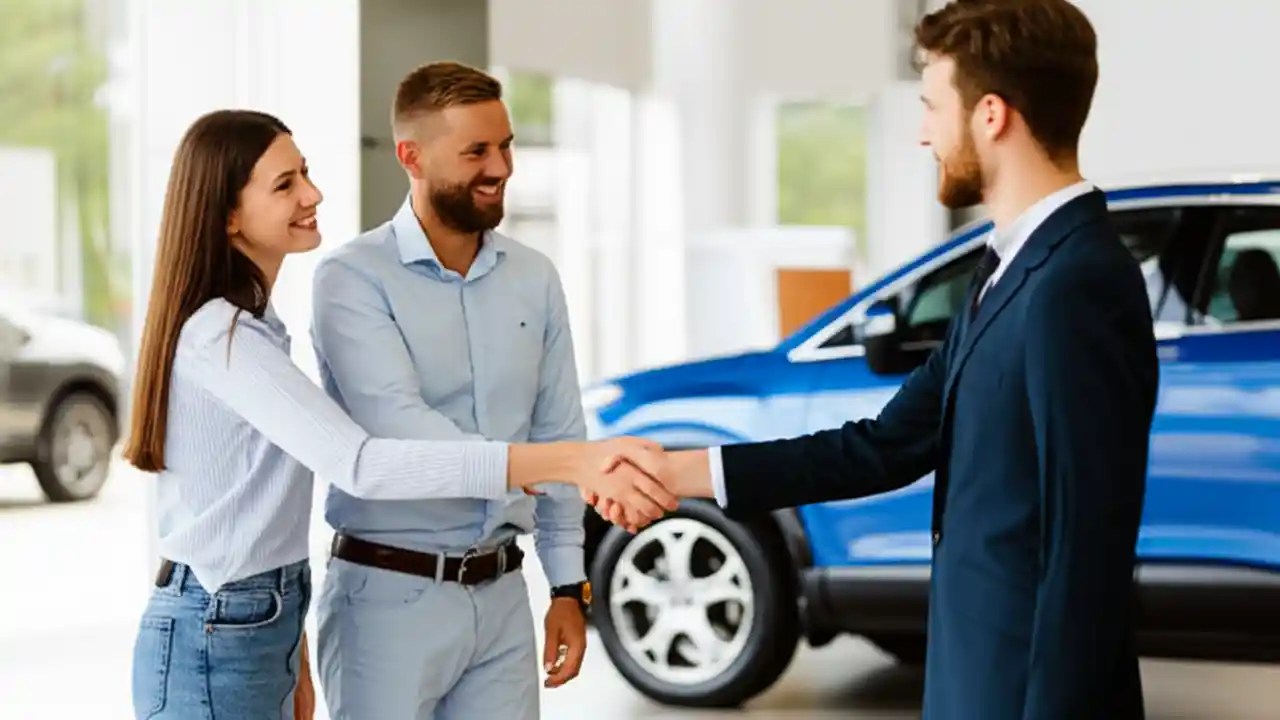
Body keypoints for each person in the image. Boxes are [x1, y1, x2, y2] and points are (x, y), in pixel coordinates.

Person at [598, 1, 1157, 717]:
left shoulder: (1078, 281)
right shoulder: (1010, 271)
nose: (922, 133)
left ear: (991, 114)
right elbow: (883, 446)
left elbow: (1086, 553)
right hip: (978, 677)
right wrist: (676, 472)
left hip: (1025, 694)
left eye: (931, 106)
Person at [123, 108, 677, 720]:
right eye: (285, 185)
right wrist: (570, 462)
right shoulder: (222, 337)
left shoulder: (255, 327)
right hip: (217, 630)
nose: (313, 193)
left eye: (304, 173)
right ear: (228, 215)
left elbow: (252, 519)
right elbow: (360, 463)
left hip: (255, 619)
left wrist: (293, 648)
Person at [307, 62, 590, 720]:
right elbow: (399, 427)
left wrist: (568, 584)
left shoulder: (534, 278)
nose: (502, 167)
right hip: (387, 600)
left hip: (502, 597)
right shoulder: (352, 279)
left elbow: (558, 430)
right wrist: (545, 467)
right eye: (476, 152)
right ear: (411, 156)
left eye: (506, 145)